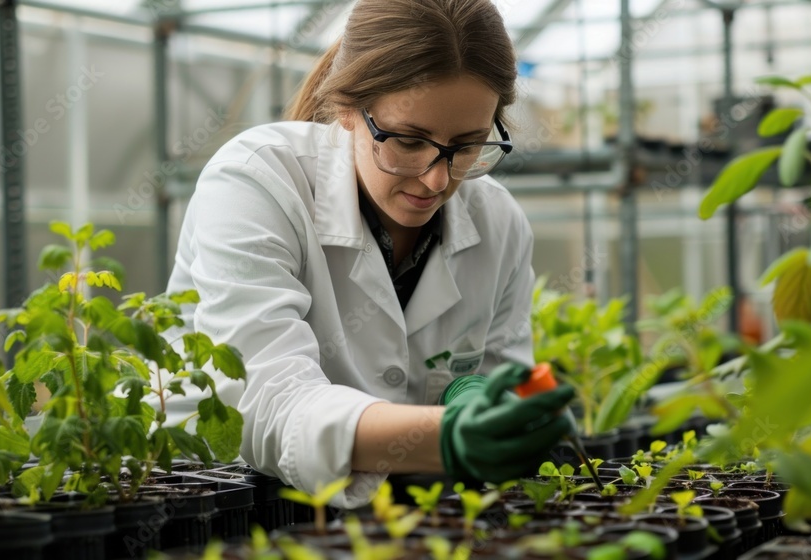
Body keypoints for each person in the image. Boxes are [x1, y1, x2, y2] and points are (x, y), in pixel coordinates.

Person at [160, 0, 575, 508]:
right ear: (348, 109)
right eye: (407, 141)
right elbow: (264, 398)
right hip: (212, 500)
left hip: (392, 513)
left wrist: (481, 400)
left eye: (467, 145)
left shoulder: (498, 221)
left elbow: (495, 373)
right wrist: (443, 438)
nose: (437, 178)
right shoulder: (257, 180)